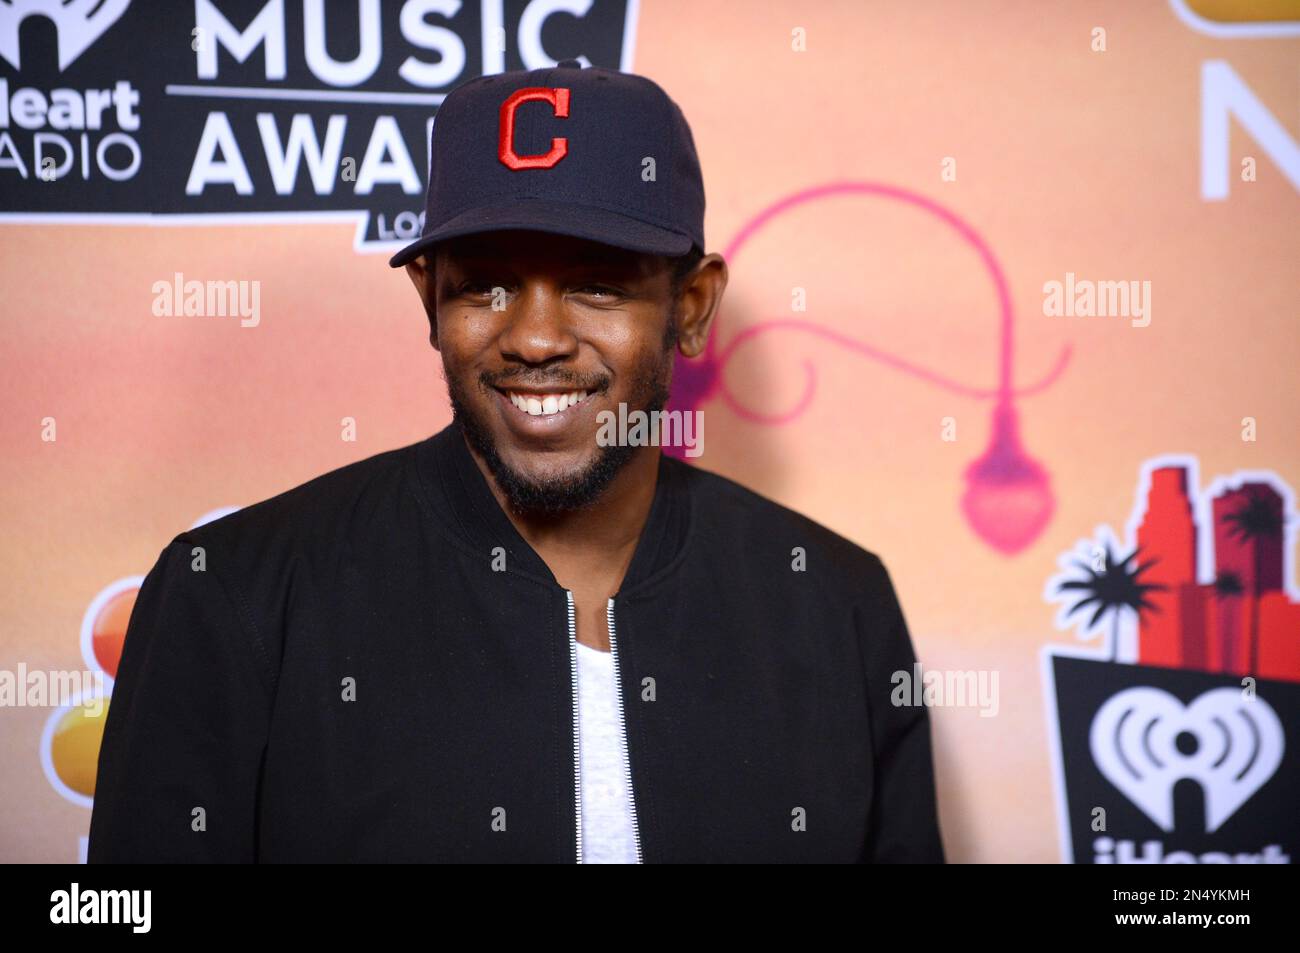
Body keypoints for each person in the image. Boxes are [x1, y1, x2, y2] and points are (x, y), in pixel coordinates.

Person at [88, 59, 944, 863]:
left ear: (690, 306)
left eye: (596, 283)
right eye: (485, 285)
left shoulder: (837, 604)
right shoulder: (232, 594)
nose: (534, 337)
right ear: (429, 297)